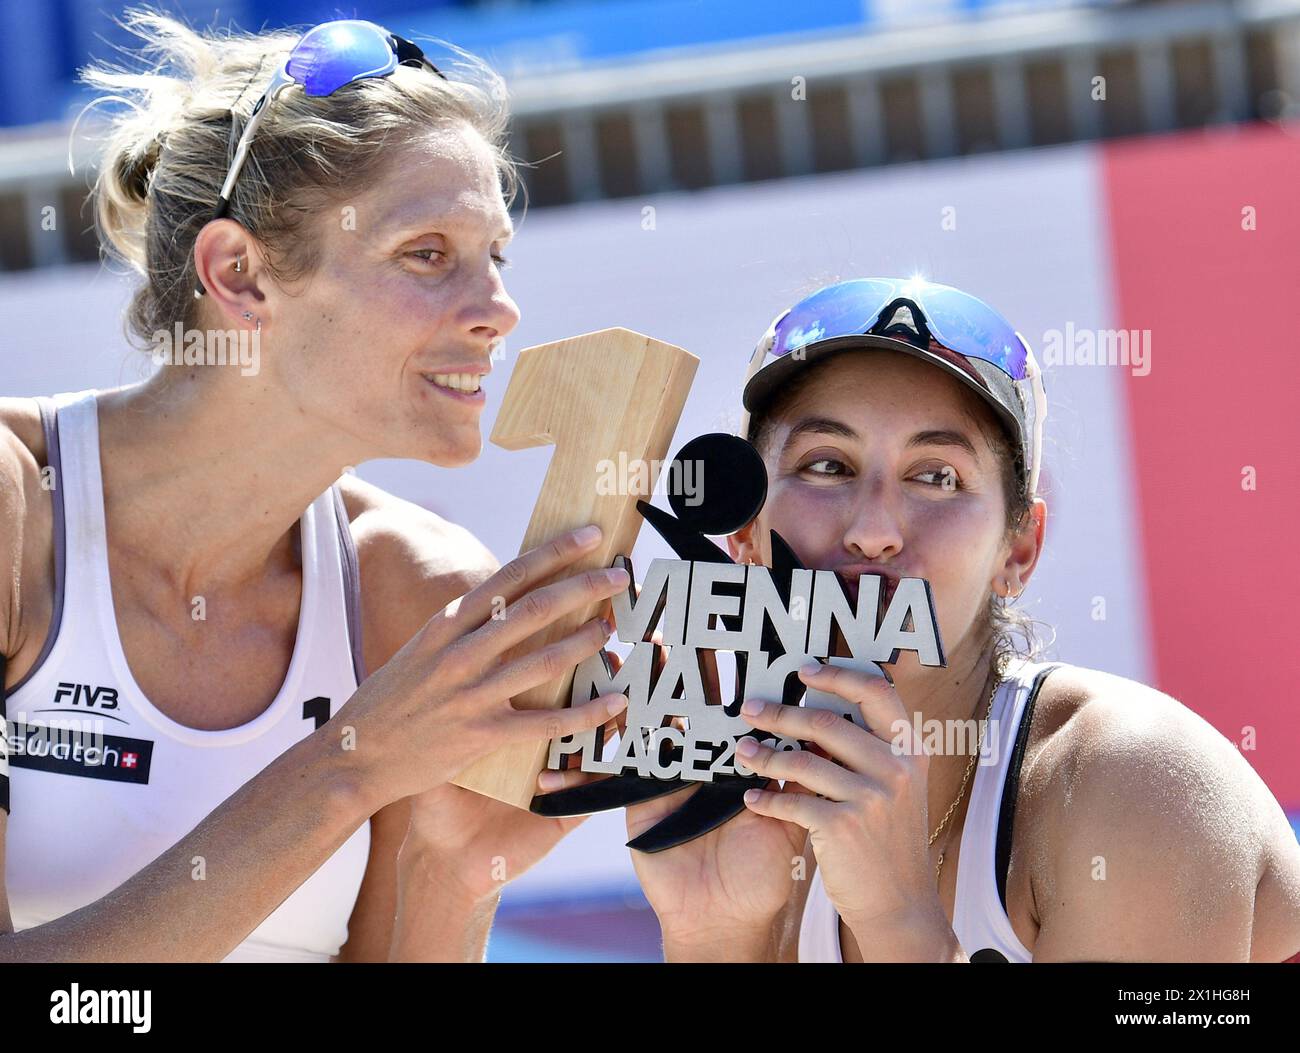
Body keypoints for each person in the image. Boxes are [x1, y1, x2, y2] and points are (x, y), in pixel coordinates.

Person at [0, 13, 630, 963]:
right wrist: (355, 761)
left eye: (495, 253)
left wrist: (456, 881)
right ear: (239, 274)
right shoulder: (18, 508)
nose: (500, 309)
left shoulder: (415, 589)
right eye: (428, 253)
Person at [600, 277, 1300, 962]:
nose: (874, 530)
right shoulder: (756, 811)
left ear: (1018, 549)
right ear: (744, 538)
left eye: (936, 475)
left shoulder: (1129, 781)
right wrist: (715, 936)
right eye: (826, 465)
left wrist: (900, 921)